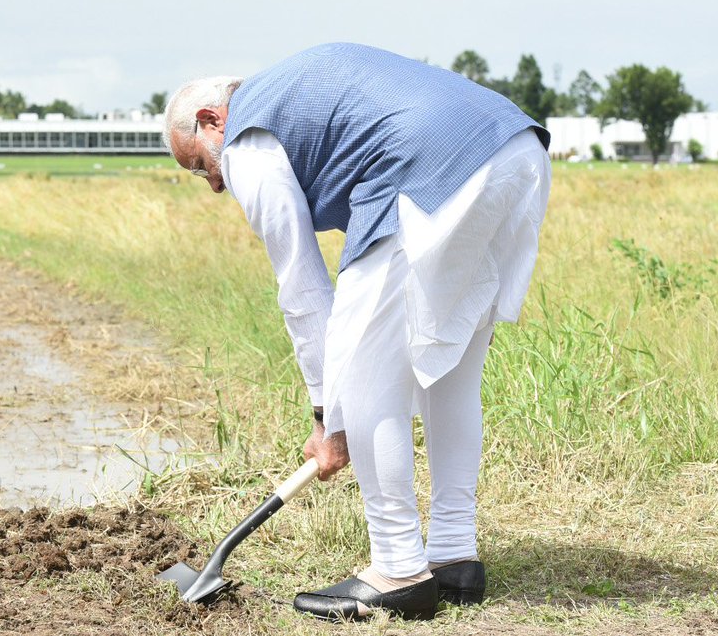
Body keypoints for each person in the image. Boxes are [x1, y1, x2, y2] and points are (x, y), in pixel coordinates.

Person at [163, 43, 551, 622]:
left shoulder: (247, 138)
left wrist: (329, 415)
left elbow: (302, 286)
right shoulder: (295, 98)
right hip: (517, 150)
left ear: (211, 120)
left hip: (426, 165)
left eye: (199, 166)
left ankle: (398, 567)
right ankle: (453, 557)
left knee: (363, 371)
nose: (215, 186)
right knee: (449, 372)